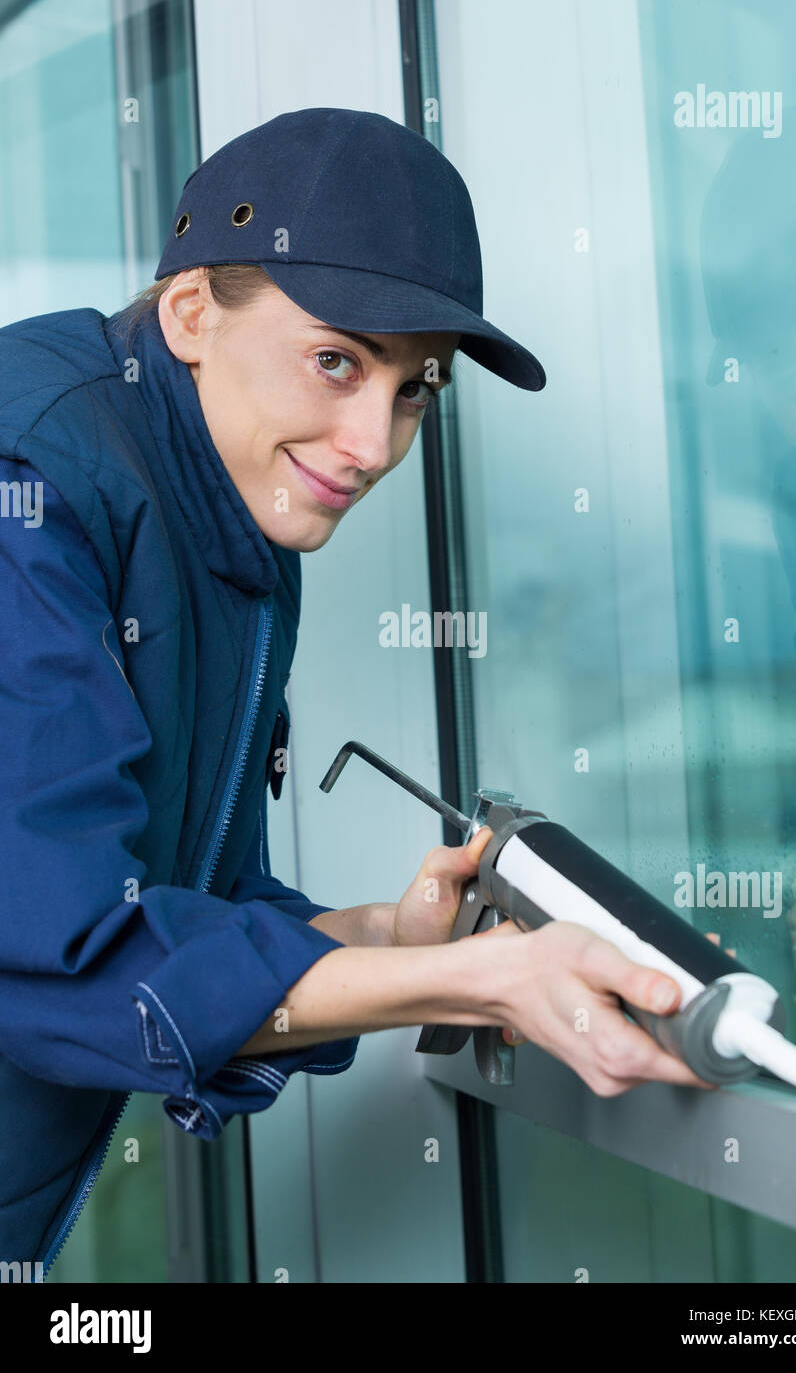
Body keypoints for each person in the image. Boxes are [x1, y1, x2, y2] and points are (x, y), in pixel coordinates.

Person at [0, 107, 710, 1275]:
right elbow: (64, 962)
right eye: (335, 360)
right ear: (189, 313)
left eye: (412, 390)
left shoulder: (236, 505)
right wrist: (474, 979)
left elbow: (170, 911)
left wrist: (381, 935)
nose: (371, 443)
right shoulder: (33, 482)